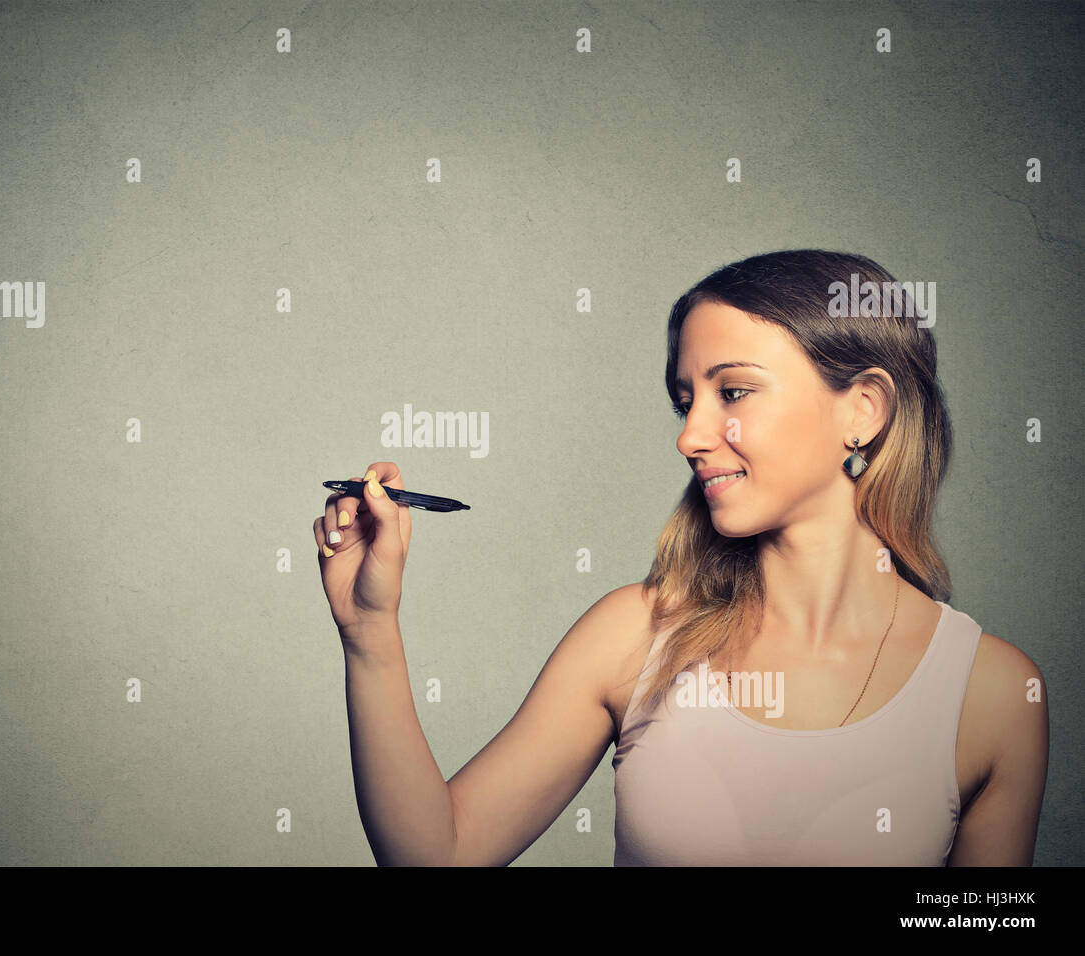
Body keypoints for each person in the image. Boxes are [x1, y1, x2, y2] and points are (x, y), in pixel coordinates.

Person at [312, 249, 1049, 866]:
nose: (690, 435)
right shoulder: (633, 636)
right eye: (684, 399)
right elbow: (438, 855)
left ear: (863, 408)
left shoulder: (992, 695)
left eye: (733, 391)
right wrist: (369, 635)